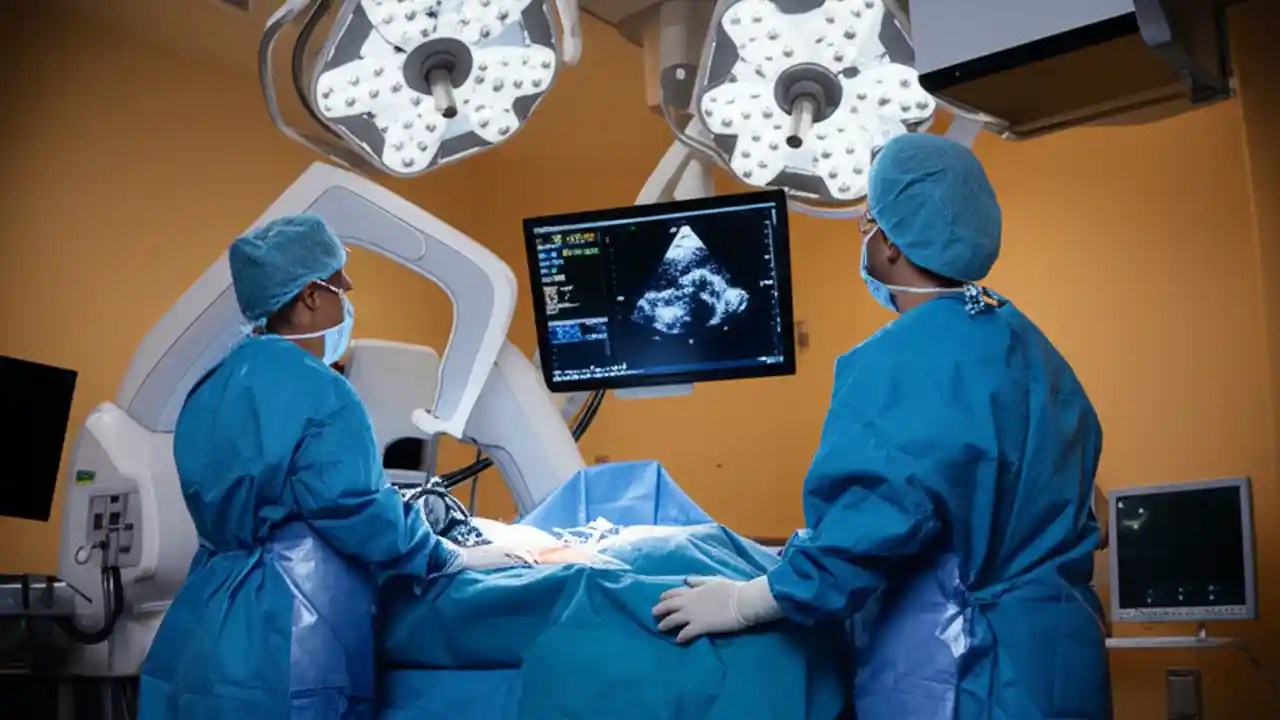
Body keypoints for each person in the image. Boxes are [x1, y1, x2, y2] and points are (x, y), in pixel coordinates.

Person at [653, 134, 1109, 719]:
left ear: (891, 245)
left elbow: (866, 531)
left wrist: (745, 601)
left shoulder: (902, 360)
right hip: (1062, 657)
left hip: (972, 671)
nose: (864, 234)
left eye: (867, 221)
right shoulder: (1030, 346)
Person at [139, 214, 533, 719]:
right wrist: (443, 555)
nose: (346, 300)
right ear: (309, 297)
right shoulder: (319, 389)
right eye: (338, 288)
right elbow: (355, 506)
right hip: (288, 625)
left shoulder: (212, 385)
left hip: (203, 621)